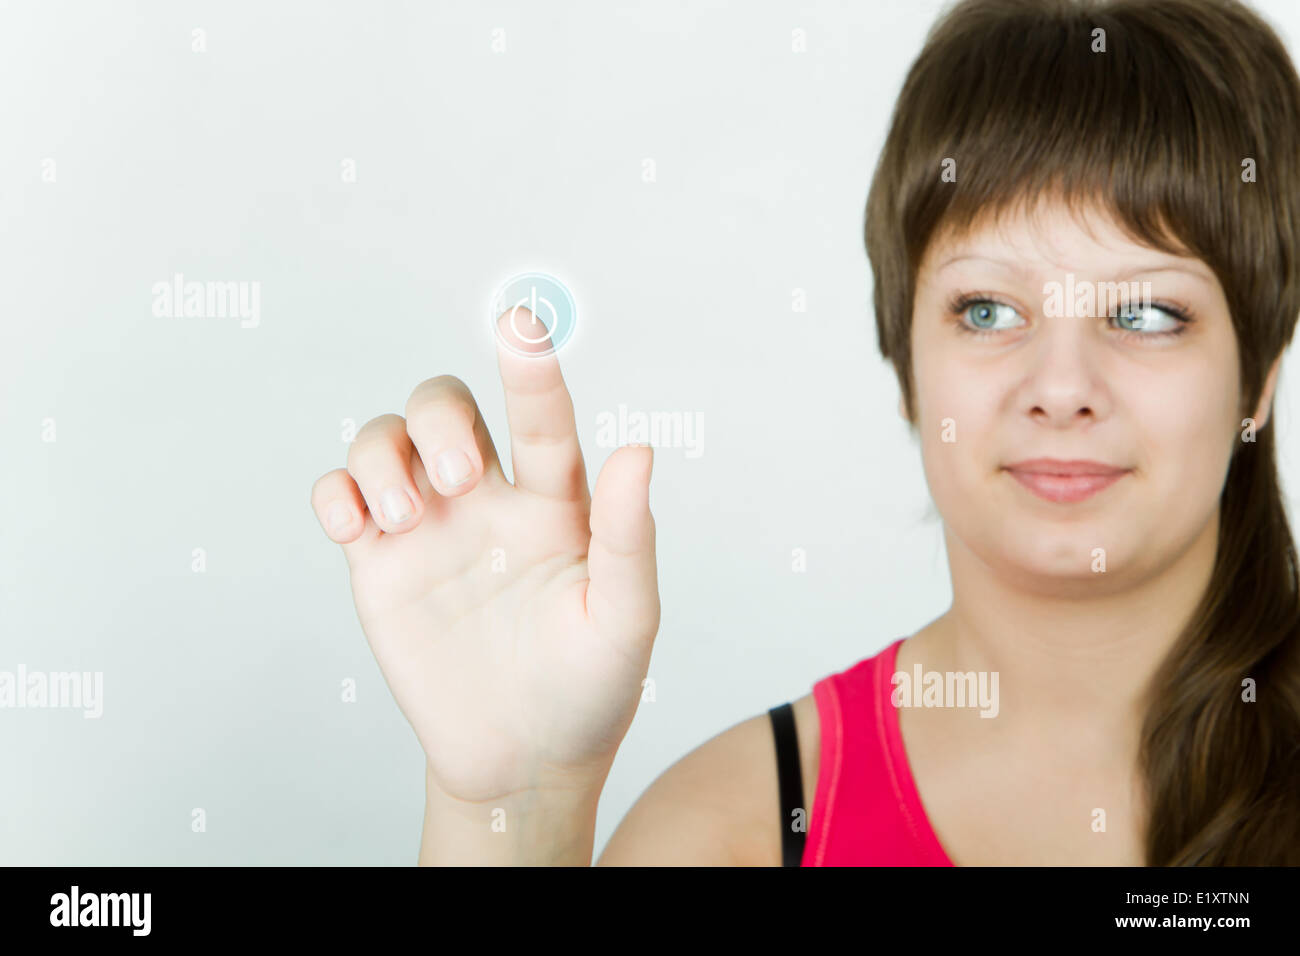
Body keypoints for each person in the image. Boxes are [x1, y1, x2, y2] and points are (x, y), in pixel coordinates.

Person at [309, 0, 1300, 866]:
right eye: (989, 310)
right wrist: (511, 809)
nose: (1061, 387)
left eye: (1145, 313)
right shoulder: (728, 833)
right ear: (905, 361)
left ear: (1258, 373)